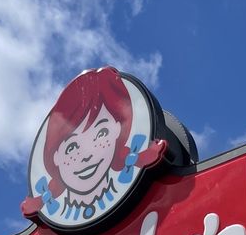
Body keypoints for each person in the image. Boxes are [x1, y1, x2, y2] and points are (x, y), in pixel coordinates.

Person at [22, 67, 166, 225]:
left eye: (101, 134)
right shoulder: (57, 209)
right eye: (72, 147)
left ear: (118, 129)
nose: (86, 155)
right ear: (55, 155)